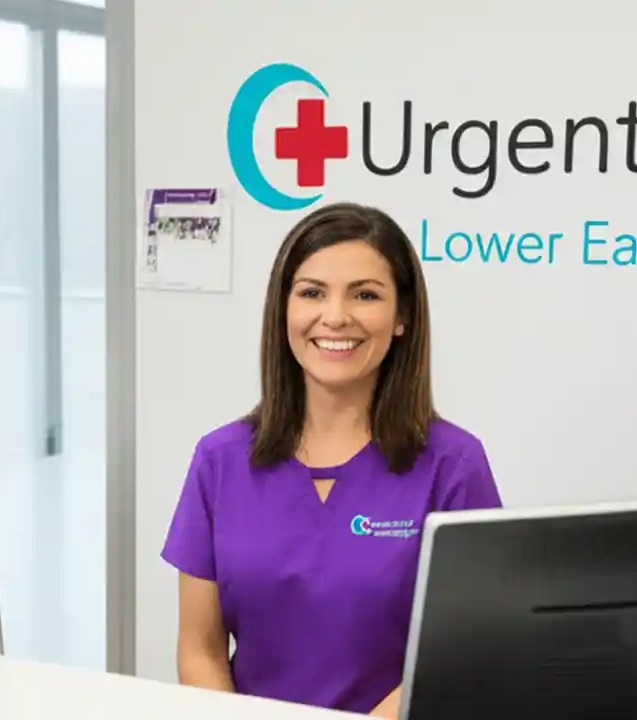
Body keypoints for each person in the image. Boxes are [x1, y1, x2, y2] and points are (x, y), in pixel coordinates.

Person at [160, 201, 503, 717]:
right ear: (284, 310)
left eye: (365, 294)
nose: (336, 316)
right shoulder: (219, 460)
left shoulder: (453, 465)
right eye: (312, 292)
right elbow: (200, 649)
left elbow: (461, 651)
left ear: (403, 316)